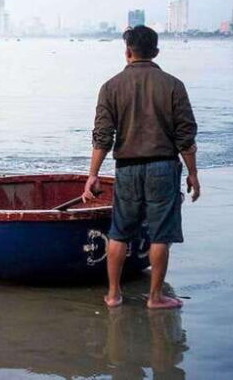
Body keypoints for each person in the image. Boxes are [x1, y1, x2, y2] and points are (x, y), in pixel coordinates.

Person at [82, 25, 200, 309]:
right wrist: (193, 173)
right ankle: (156, 297)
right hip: (163, 166)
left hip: (127, 168)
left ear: (127, 52)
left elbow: (102, 137)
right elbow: (186, 136)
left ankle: (113, 295)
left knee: (119, 232)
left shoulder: (110, 87)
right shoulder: (173, 85)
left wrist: (93, 175)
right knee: (161, 234)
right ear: (156, 51)